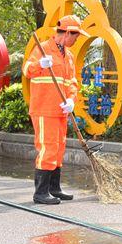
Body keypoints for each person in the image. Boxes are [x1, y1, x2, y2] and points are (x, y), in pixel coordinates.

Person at [24, 14, 84, 205]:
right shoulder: (43, 49)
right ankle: (40, 192)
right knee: (48, 148)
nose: (77, 39)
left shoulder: (69, 56)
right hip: (44, 108)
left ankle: (54, 188)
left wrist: (71, 100)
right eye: (76, 35)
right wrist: (39, 64)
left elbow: (71, 82)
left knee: (58, 148)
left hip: (61, 110)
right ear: (67, 33)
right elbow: (27, 70)